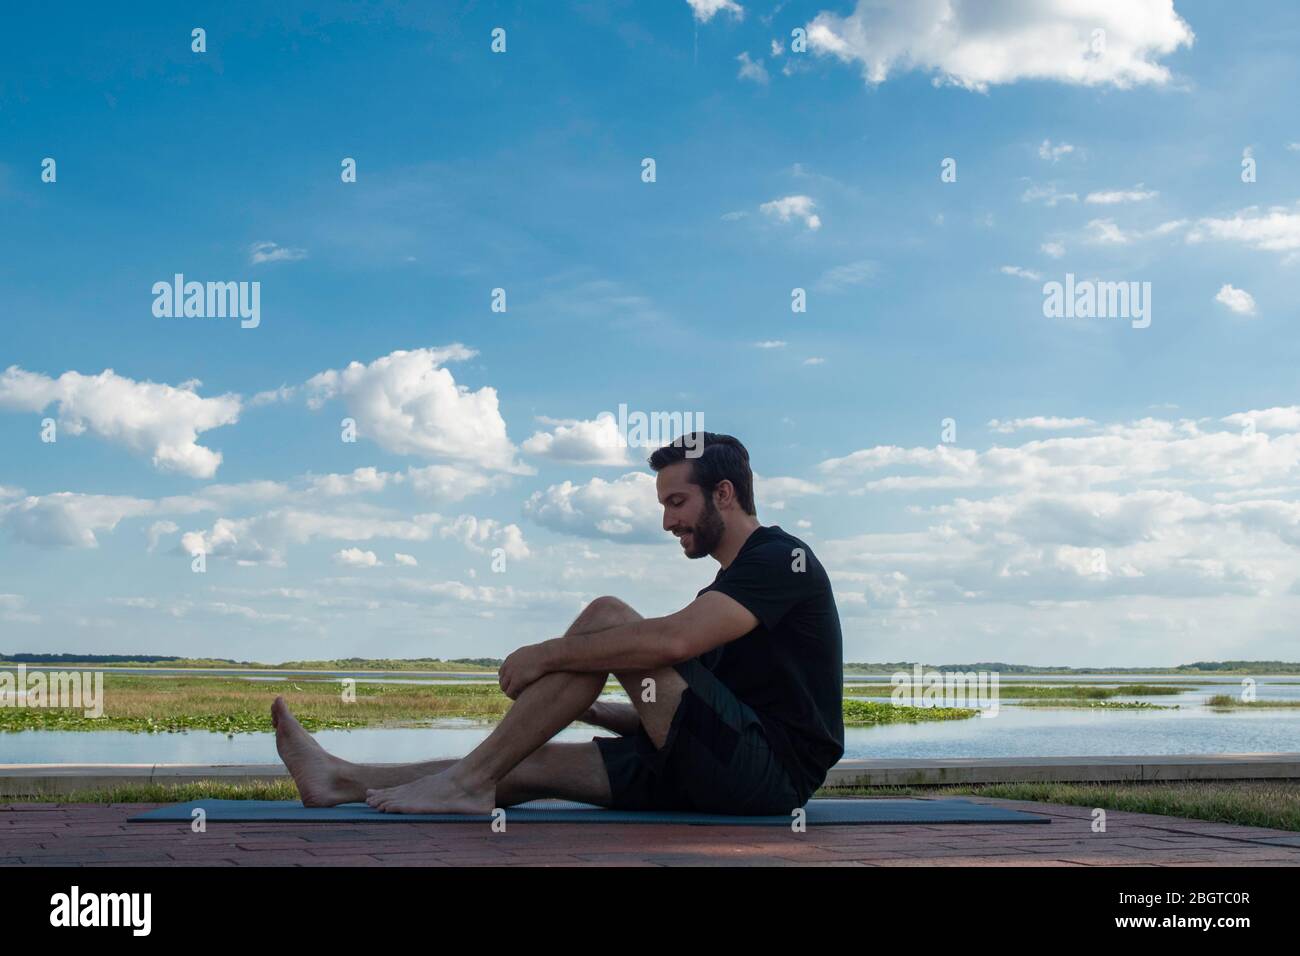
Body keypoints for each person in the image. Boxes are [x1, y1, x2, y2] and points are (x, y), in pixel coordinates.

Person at [272, 431, 844, 814]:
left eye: (676, 502)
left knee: (607, 618)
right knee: (530, 760)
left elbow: (674, 640)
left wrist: (547, 655)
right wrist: (593, 706)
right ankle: (339, 780)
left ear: (724, 493)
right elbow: (704, 708)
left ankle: (467, 785)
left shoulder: (780, 559)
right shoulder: (730, 586)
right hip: (720, 762)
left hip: (768, 774)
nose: (667, 521)